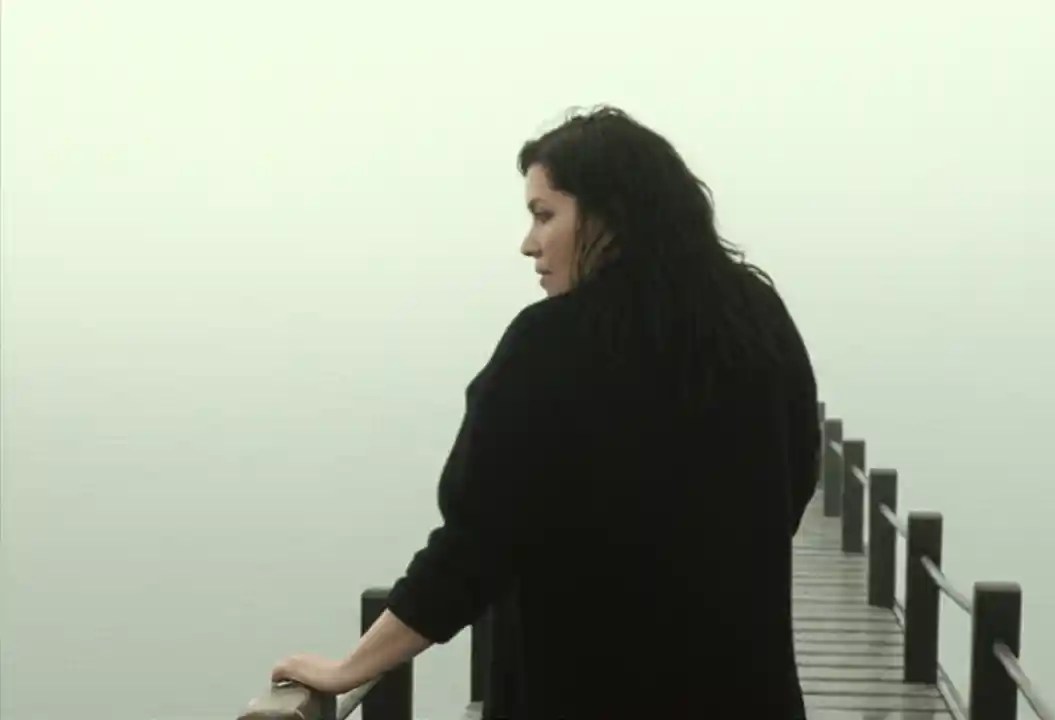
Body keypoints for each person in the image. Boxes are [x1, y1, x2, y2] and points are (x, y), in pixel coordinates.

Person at [268, 106, 820, 719]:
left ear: (611, 213)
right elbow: (795, 482)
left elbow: (475, 545)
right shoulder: (757, 320)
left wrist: (352, 669)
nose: (529, 243)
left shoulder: (548, 343)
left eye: (544, 215)